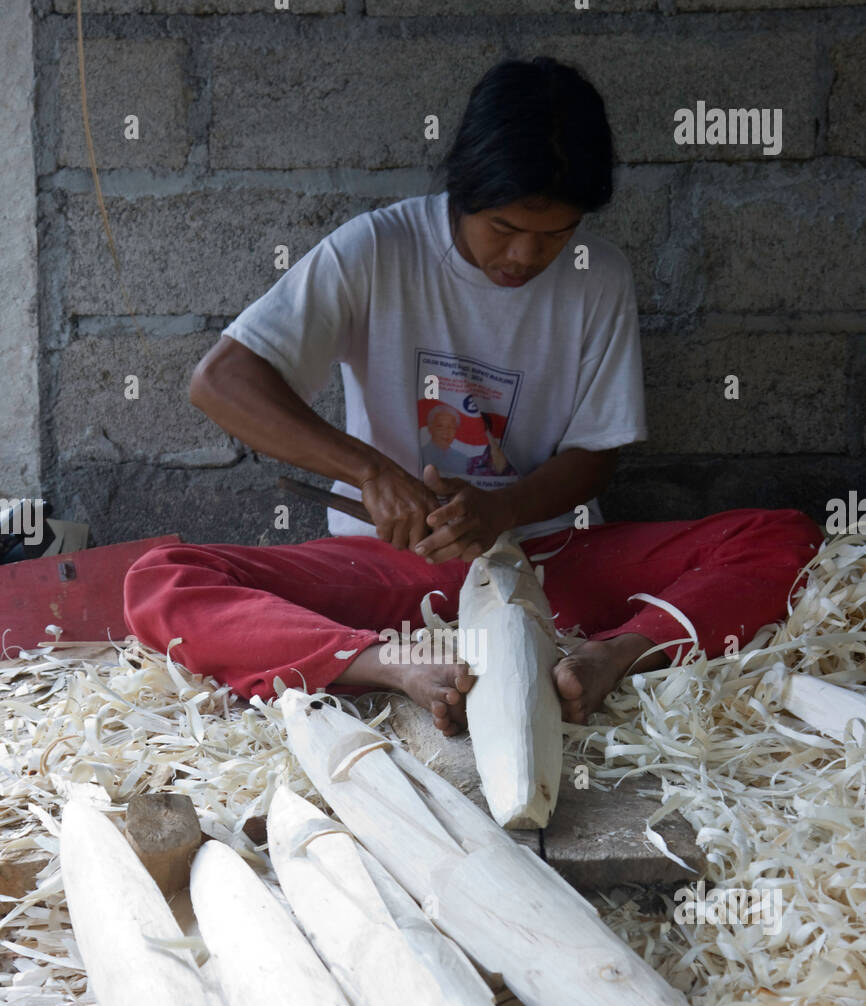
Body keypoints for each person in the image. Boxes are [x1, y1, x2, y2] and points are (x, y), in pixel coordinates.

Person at [124, 56, 821, 736]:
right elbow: (220, 382)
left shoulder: (597, 277)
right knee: (161, 580)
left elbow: (596, 454)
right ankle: (390, 663)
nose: (524, 256)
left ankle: (613, 654)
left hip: (555, 562)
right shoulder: (377, 249)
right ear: (460, 191)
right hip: (395, 570)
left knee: (783, 537)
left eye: (554, 235)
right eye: (505, 229)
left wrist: (504, 510)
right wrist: (372, 474)